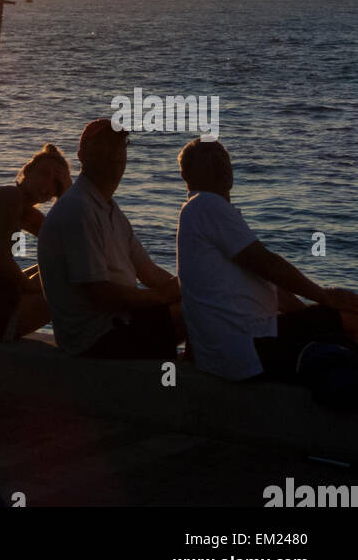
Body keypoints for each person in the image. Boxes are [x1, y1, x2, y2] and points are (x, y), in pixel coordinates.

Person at [176, 138, 358, 384]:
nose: (221, 162)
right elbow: (266, 263)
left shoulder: (205, 214)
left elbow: (264, 282)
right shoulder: (205, 205)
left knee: (334, 323)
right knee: (351, 319)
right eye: (210, 156)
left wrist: (316, 314)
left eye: (224, 156)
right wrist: (325, 297)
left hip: (242, 348)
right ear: (187, 174)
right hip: (251, 348)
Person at [37, 118, 181, 358]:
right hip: (95, 338)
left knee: (204, 304)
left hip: (118, 322)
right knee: (199, 313)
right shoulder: (78, 208)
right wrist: (161, 297)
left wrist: (190, 287)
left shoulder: (109, 209)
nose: (114, 152)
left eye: (120, 145)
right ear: (82, 154)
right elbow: (100, 293)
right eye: (103, 144)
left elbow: (149, 272)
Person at [0, 142, 72, 342]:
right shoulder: (11, 197)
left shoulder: (24, 210)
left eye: (56, 183)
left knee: (62, 267)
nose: (47, 184)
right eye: (44, 174)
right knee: (71, 285)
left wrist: (66, 194)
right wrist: (31, 288)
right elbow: (0, 258)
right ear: (27, 171)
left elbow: (67, 244)